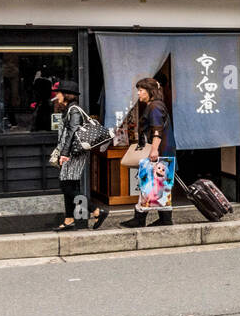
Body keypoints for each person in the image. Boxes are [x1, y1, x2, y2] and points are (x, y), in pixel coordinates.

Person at [53, 81, 109, 231]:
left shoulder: (74, 110)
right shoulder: (69, 109)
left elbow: (72, 132)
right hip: (70, 153)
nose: (56, 95)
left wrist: (64, 154)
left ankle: (96, 210)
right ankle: (69, 219)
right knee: (68, 186)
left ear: (65, 94)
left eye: (59, 92)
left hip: (74, 153)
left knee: (67, 187)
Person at [121, 77, 175, 227]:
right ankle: (165, 219)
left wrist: (154, 150)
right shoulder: (156, 105)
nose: (138, 93)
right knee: (160, 184)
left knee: (150, 182)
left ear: (150, 92)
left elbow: (157, 130)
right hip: (165, 149)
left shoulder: (155, 107)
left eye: (141, 90)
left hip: (160, 150)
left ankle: (140, 219)